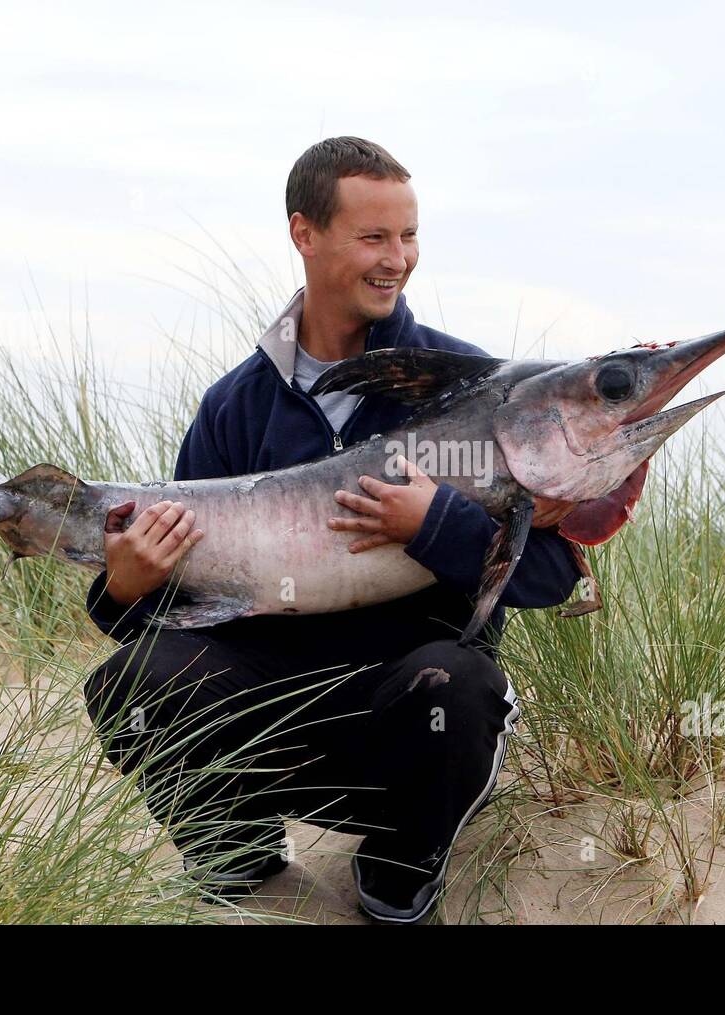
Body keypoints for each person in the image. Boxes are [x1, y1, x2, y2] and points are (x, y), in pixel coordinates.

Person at [83, 136, 582, 924]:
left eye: (409, 235)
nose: (398, 259)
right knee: (133, 679)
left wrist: (435, 524)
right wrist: (124, 588)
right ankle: (235, 852)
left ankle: (397, 870)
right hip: (271, 712)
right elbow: (178, 598)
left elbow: (552, 579)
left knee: (460, 687)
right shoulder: (234, 405)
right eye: (374, 237)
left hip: (405, 721)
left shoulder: (480, 389)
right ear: (304, 234)